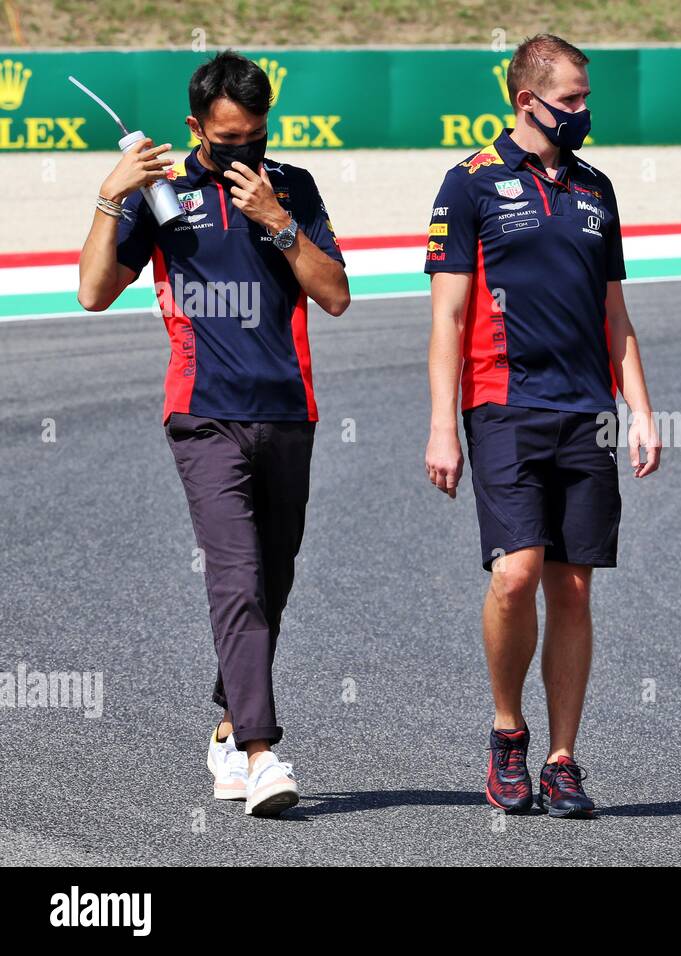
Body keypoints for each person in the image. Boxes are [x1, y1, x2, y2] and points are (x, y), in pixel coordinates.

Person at [76, 50, 350, 817]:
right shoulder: (158, 190)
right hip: (202, 414)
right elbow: (93, 292)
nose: (244, 154)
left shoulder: (292, 186)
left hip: (289, 411)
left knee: (273, 582)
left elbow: (335, 296)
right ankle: (262, 753)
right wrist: (109, 198)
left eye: (256, 137)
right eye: (229, 142)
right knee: (234, 578)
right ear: (196, 128)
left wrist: (280, 221)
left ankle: (229, 725)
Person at [423, 34, 659, 819]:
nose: (585, 112)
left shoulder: (597, 188)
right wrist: (441, 426)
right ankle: (506, 731)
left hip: (586, 409)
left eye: (588, 98)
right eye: (572, 101)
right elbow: (447, 316)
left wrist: (640, 409)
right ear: (527, 102)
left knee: (574, 586)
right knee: (515, 572)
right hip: (501, 402)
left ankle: (561, 759)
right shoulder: (470, 184)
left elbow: (615, 312)